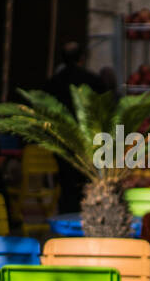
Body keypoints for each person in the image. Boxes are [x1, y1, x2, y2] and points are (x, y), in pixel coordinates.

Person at [45, 41, 106, 213]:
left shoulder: (53, 83)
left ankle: (68, 218)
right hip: (88, 141)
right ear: (82, 58)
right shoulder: (93, 81)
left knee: (66, 183)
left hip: (62, 140)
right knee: (87, 181)